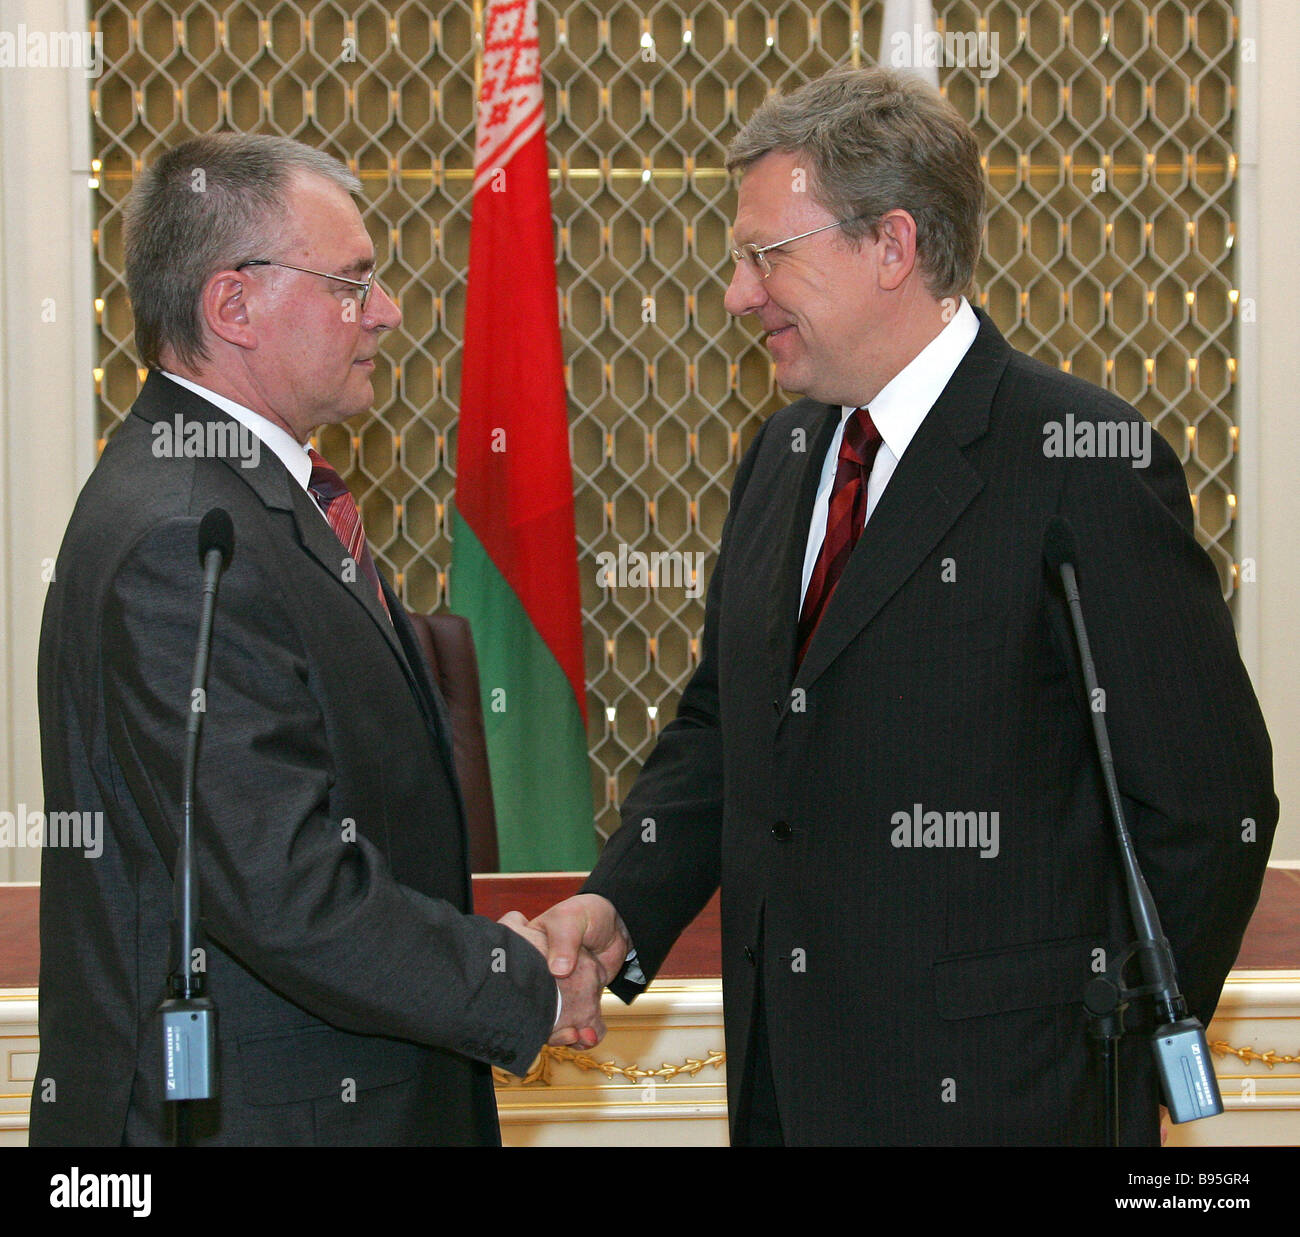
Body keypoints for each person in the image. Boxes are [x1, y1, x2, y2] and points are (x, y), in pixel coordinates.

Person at [530, 67, 1277, 1145]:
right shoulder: (781, 456)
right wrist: (617, 907)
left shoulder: (1080, 460)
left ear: (892, 246)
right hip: (784, 1089)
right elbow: (727, 731)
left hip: (1008, 1101)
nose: (737, 294)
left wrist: (1104, 1036)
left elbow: (1210, 800)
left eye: (764, 256)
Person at [32, 133, 605, 1147]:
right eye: (352, 282)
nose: (384, 311)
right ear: (233, 307)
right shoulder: (182, 528)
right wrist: (513, 986)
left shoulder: (251, 497)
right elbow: (279, 882)